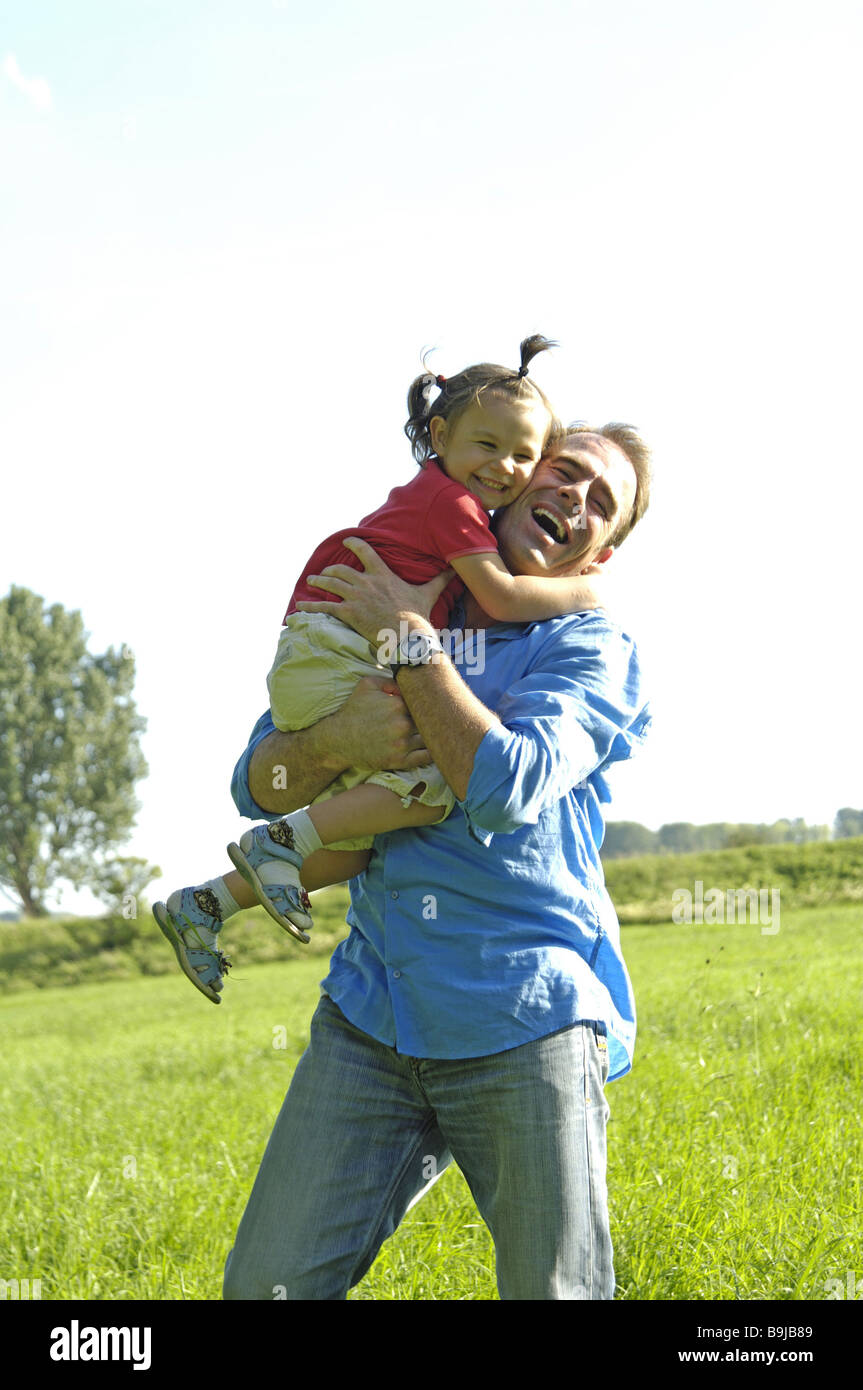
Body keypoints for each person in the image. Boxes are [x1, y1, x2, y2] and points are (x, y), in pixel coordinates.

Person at [221, 423, 652, 1300]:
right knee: (264, 1288)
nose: (574, 497)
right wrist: (334, 737)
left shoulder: (586, 646)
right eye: (565, 472)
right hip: (370, 1017)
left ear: (598, 555)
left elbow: (506, 784)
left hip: (523, 1017)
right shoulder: (395, 580)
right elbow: (256, 784)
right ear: (513, 480)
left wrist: (408, 645)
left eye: (600, 503)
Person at [154, 337, 607, 1003]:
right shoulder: (452, 509)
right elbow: (503, 598)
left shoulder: (455, 525)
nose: (504, 466)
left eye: (521, 454)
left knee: (363, 839)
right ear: (440, 434)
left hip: (323, 650)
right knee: (428, 785)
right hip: (335, 648)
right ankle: (280, 841)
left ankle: (207, 905)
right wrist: (587, 591)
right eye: (488, 445)